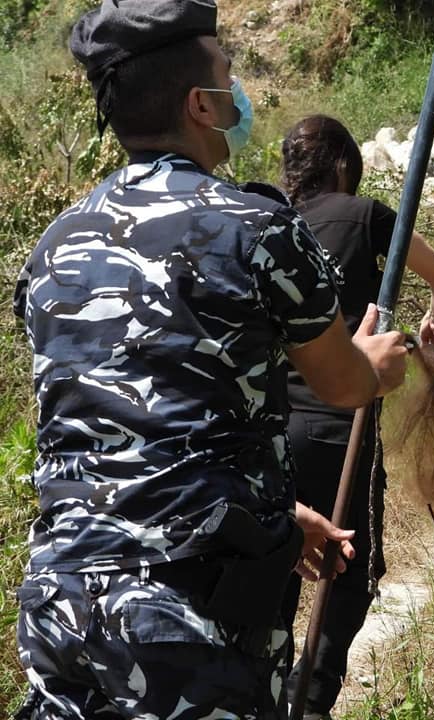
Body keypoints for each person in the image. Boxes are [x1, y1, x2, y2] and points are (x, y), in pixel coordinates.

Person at [12, 3, 409, 719]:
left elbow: (127, 423)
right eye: (230, 77)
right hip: (185, 616)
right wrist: (377, 363)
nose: (239, 95)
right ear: (202, 105)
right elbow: (341, 381)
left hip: (59, 601)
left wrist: (278, 516)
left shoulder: (53, 248)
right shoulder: (257, 226)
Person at [278, 114, 434, 719]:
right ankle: (312, 700)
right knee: (350, 568)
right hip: (341, 423)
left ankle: (268, 690)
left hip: (272, 432)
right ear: (344, 165)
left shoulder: (274, 223)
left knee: (277, 559)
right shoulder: (367, 215)